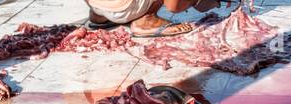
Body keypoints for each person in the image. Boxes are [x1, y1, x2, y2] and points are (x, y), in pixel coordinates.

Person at [86, 0, 226, 39]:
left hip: (95, 4)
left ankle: (100, 15)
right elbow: (173, 6)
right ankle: (147, 21)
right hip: (125, 8)